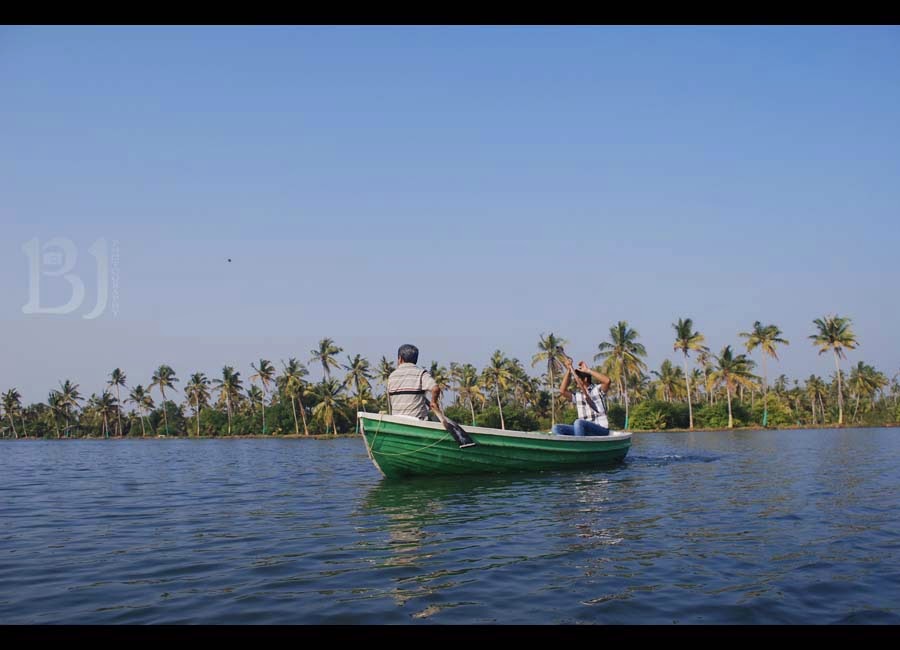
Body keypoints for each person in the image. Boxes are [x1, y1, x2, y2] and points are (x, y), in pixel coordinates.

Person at [553, 355, 612, 436]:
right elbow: (562, 391)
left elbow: (607, 381)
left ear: (585, 379)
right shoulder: (577, 395)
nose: (575, 381)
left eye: (577, 379)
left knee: (578, 423)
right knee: (556, 428)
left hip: (600, 429)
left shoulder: (598, 390)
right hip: (582, 430)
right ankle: (566, 447)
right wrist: (569, 370)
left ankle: (579, 445)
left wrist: (588, 370)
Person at [387, 344, 440, 420]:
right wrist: (433, 402)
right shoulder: (421, 373)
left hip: (396, 420)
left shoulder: (392, 376)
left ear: (400, 359)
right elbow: (435, 389)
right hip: (417, 420)